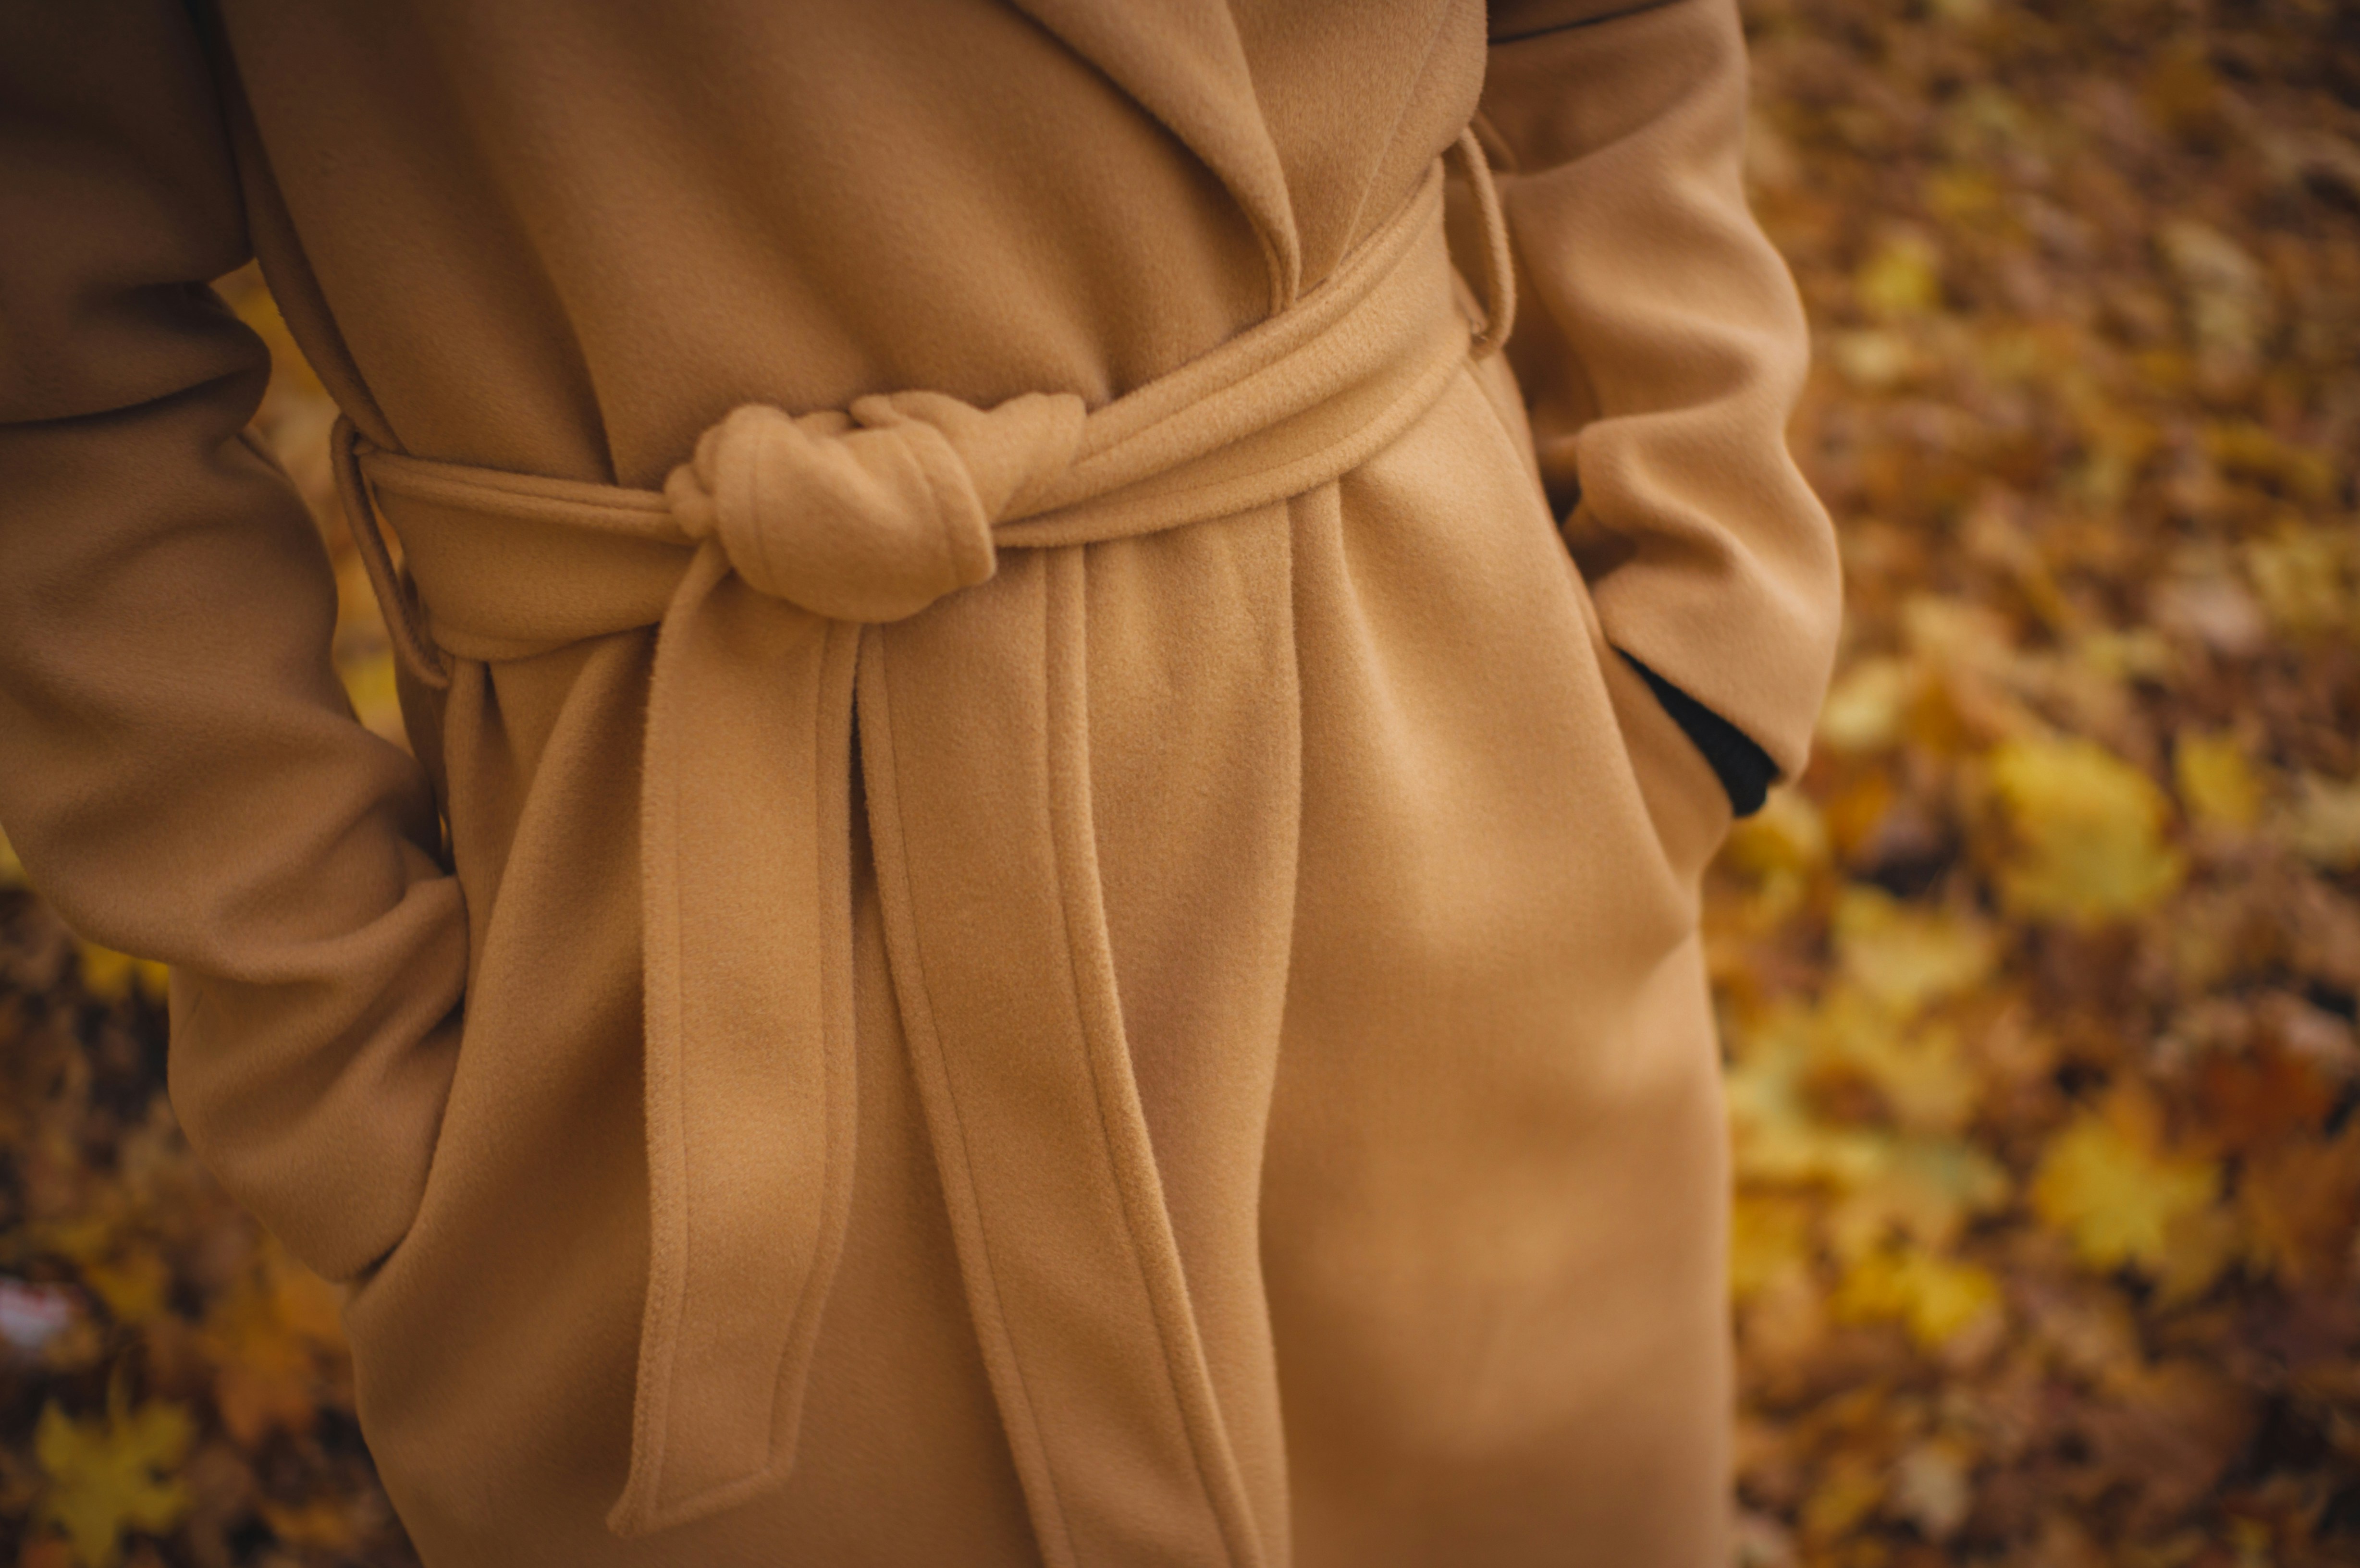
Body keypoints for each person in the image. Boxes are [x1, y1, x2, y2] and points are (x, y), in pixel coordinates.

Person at [0, 1, 1841, 1563]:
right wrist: (337, 1048)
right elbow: (47, 338)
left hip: (1432, 771)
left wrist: (1699, 622)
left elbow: (1604, 33)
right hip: (675, 992)